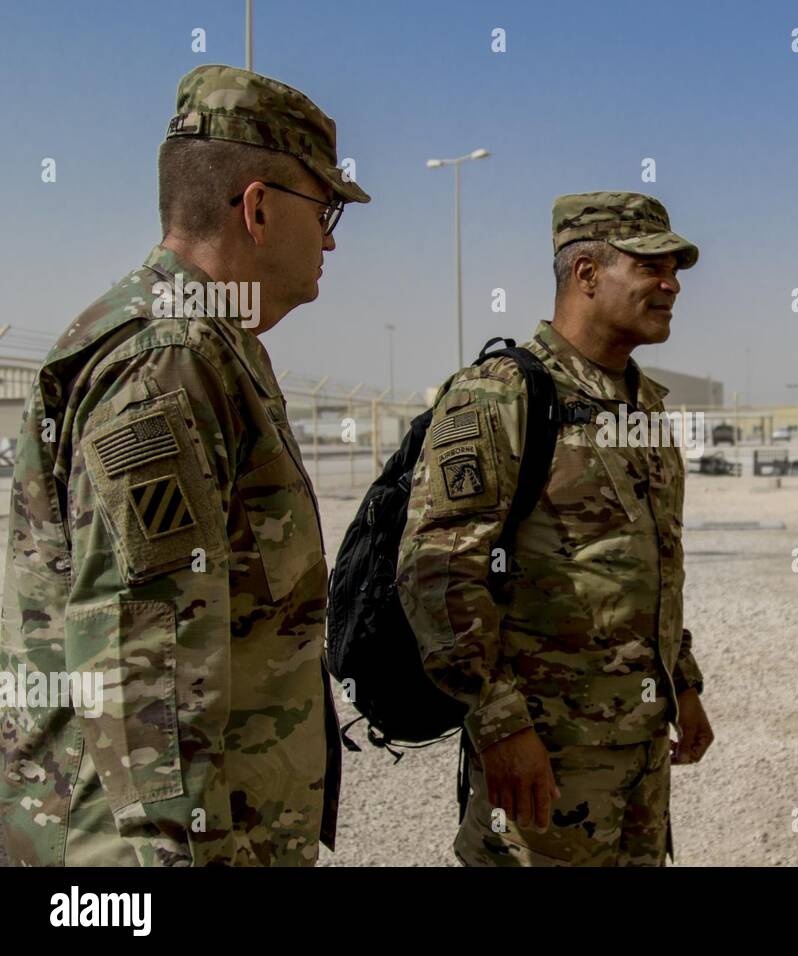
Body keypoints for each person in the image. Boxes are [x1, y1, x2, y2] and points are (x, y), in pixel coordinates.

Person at [0, 65, 369, 865]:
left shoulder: (213, 347)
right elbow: (145, 655)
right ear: (259, 208)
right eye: (327, 208)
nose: (333, 237)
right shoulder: (168, 360)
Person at [397, 191, 713, 866]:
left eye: (676, 269)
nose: (672, 284)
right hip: (543, 753)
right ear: (586, 274)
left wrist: (682, 683)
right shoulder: (502, 394)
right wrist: (500, 725)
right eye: (653, 265)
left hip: (638, 749)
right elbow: (439, 572)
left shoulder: (644, 405)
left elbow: (655, 563)